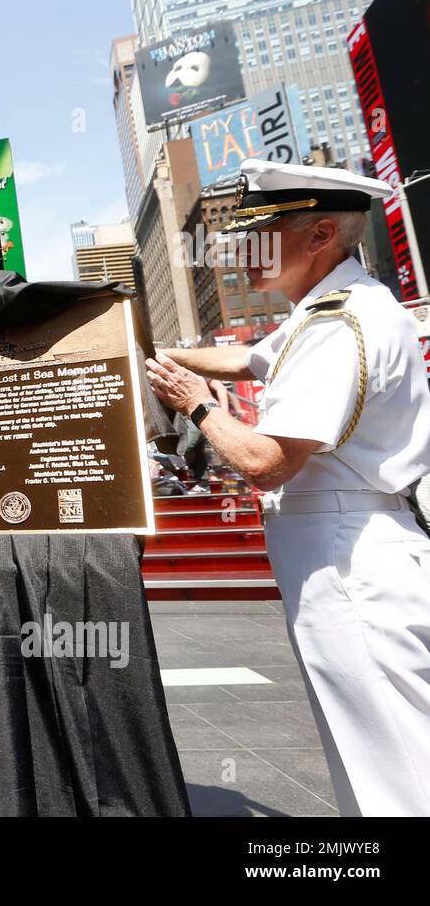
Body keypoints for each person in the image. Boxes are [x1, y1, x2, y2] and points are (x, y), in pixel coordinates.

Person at [147, 158, 430, 816]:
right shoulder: (336, 306)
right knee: (372, 753)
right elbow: (246, 357)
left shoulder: (336, 324)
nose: (243, 252)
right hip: (349, 548)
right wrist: (160, 351)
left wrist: (195, 404)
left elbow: (266, 460)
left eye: (260, 235)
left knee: (392, 768)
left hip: (350, 562)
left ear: (320, 234)